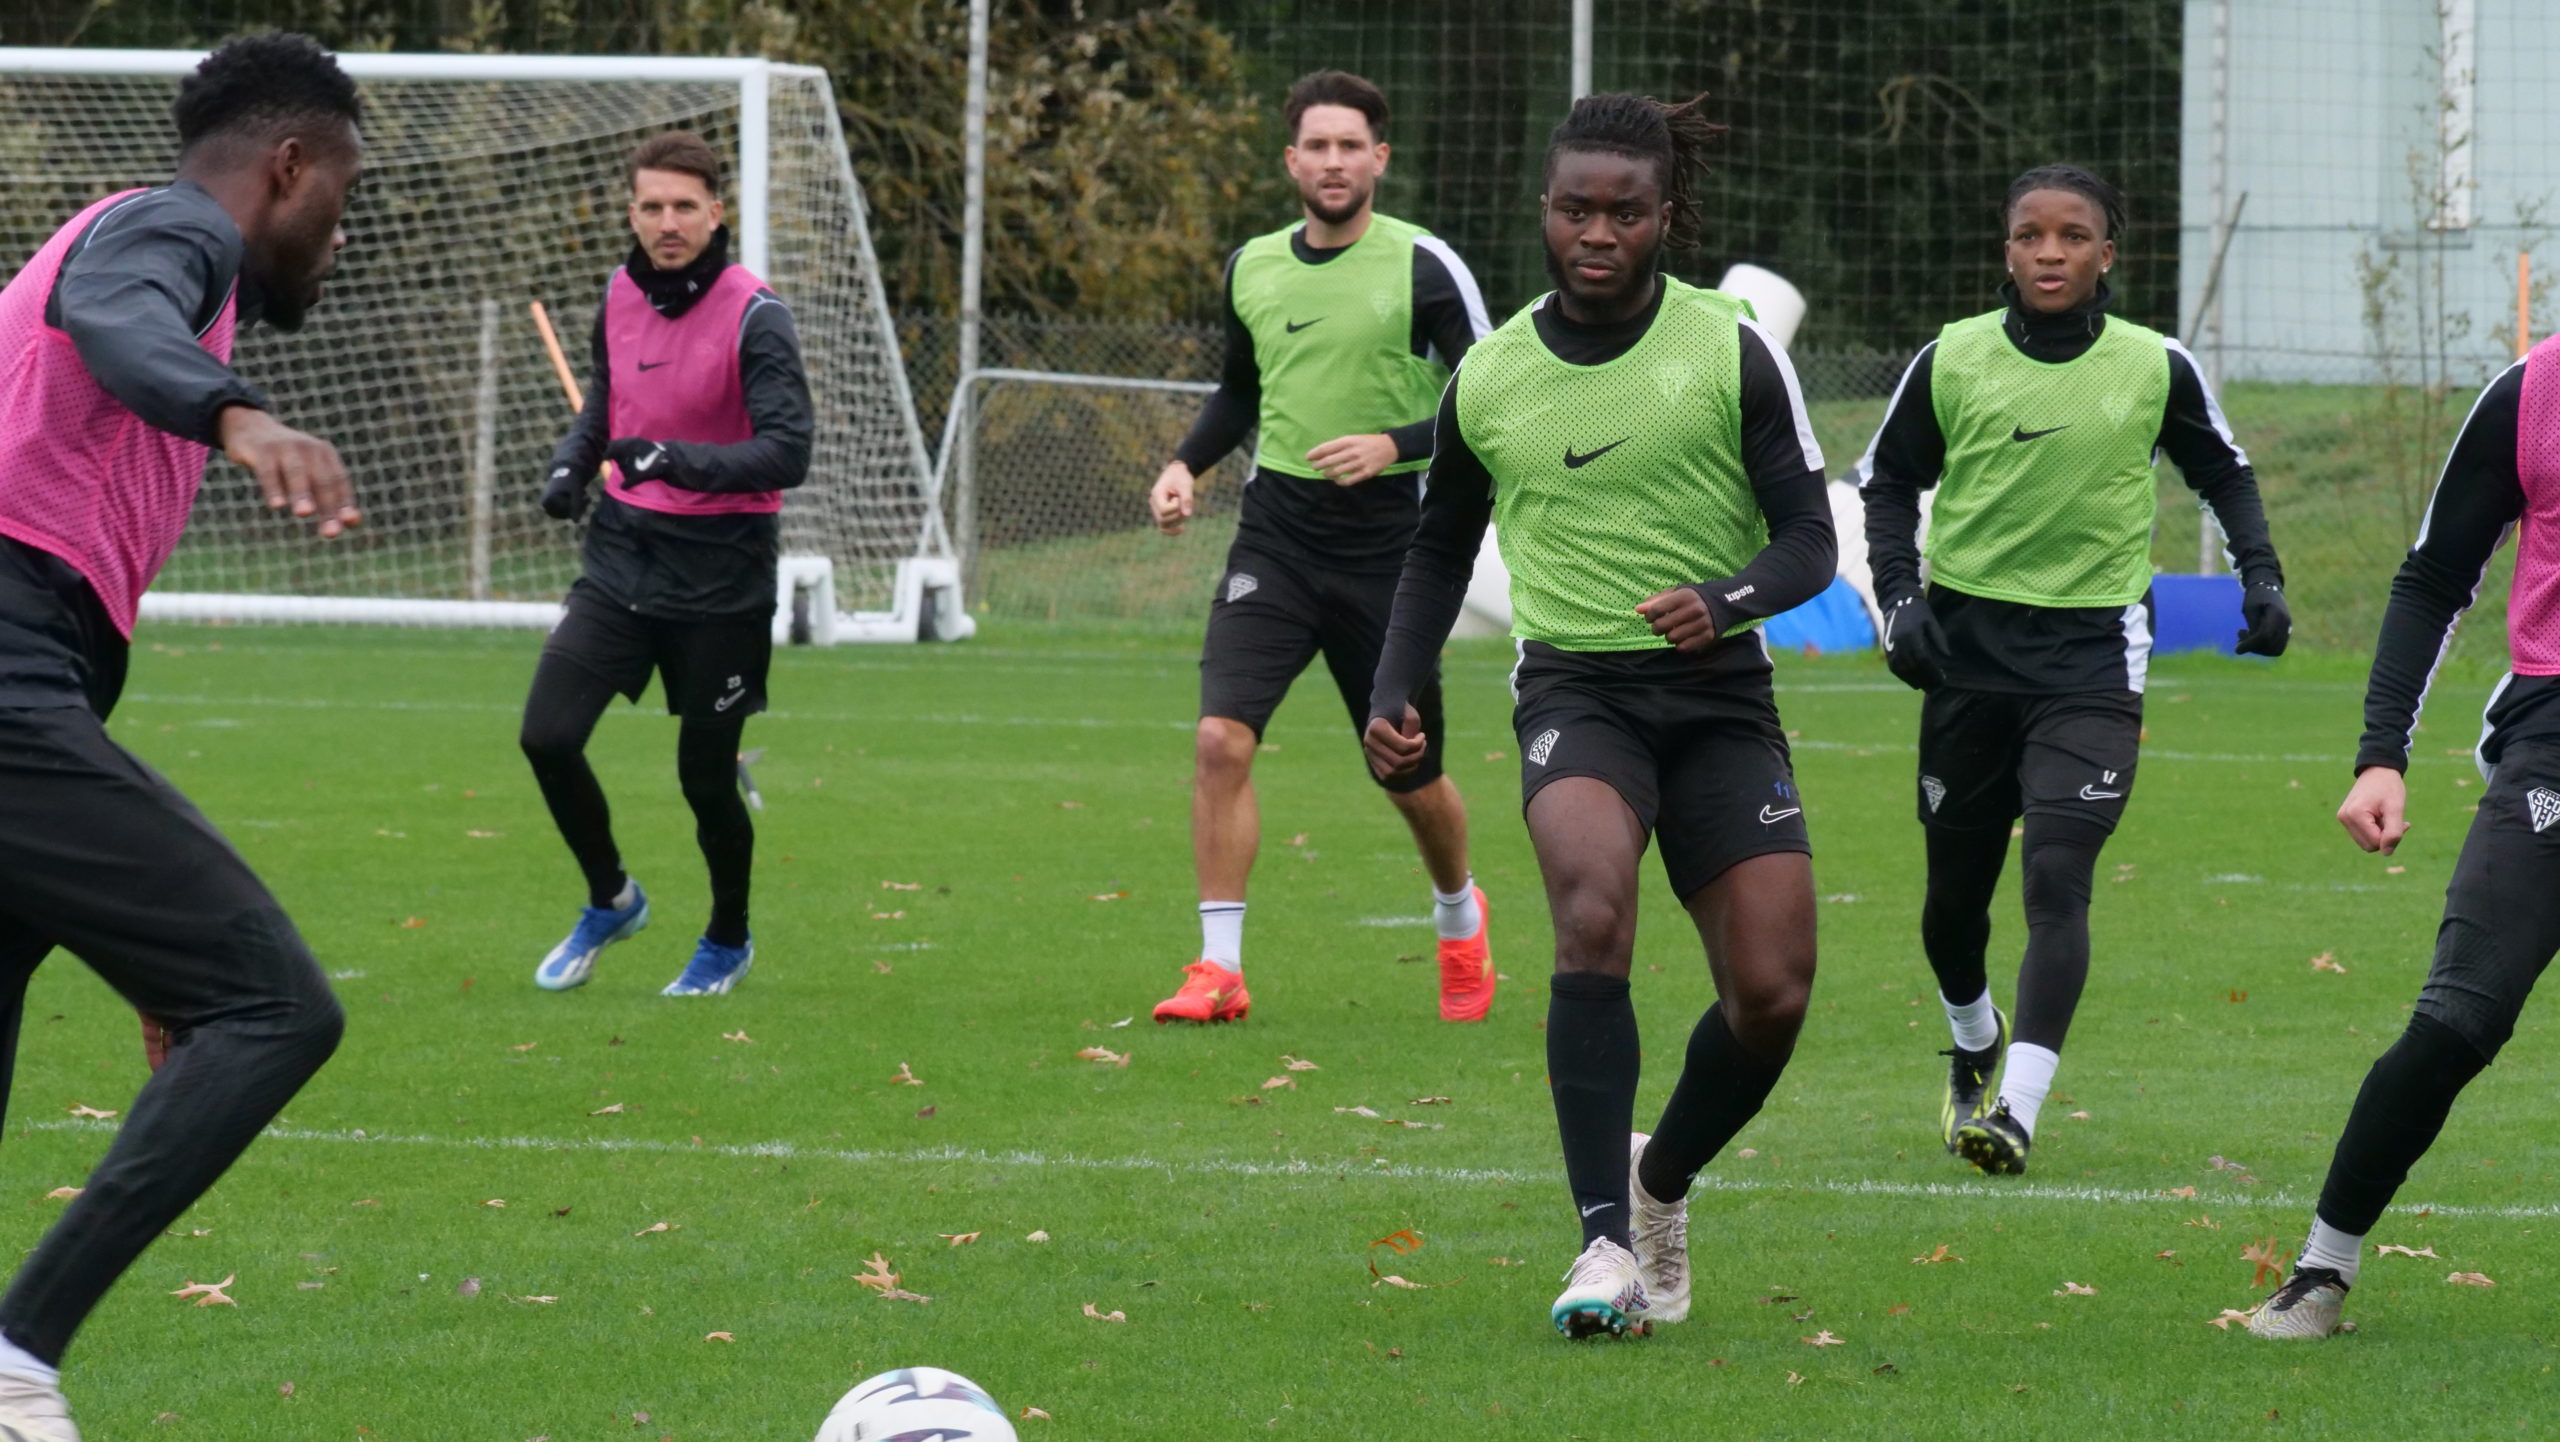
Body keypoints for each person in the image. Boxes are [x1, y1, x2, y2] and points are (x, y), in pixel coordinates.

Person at [1367, 92, 1834, 1338]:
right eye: (1576, 207)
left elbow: (1810, 539)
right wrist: (1392, 687)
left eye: (1624, 211)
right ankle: (1601, 1244)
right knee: (1587, 906)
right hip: (1575, 684)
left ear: (1662, 218)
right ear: (1545, 211)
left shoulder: (1731, 346)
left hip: (1719, 694)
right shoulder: (1495, 369)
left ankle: (1659, 1179)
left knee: (1774, 990)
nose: (1597, 231)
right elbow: (1434, 547)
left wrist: (1725, 598)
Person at [0, 34, 363, 1439]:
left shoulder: (151, 255)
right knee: (273, 1004)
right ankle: (20, 1356)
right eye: (338, 191)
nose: (336, 227)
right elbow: (116, 310)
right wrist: (239, 416)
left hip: (37, 689)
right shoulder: (168, 233)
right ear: (286, 166)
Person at [1857, 163, 2288, 1176]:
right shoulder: (1951, 358)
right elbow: (1886, 485)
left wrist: (2259, 575)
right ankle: (1972, 1035)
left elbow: (2222, 468)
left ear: (2107, 253)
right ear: (2005, 249)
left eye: (2071, 235)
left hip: (2092, 655)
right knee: (1952, 901)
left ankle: (2016, 1107)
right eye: (2029, 234)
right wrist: (1901, 599)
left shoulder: (2153, 364)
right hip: (1966, 653)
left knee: (2057, 874)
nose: (2049, 251)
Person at [1145, 70, 1496, 1025]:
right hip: (1279, 539)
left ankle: (1460, 915)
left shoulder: (1425, 264)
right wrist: (1186, 465)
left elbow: (1502, 397)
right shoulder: (1251, 266)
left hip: (1395, 552)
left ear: (1379, 158)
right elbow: (1240, 394)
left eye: (1352, 146)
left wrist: (1395, 443)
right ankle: (1219, 968)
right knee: (1220, 739)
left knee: (1408, 773)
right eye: (1318, 146)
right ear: (1291, 160)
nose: (1334, 162)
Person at [2248, 341, 2558, 1339]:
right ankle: (2320, 1269)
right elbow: (2433, 577)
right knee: (2460, 1015)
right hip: (2553, 739)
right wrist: (2381, 753)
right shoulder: (2535, 389)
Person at [521, 130, 813, 998]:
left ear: (716, 212)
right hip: (622, 558)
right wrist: (574, 465)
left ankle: (727, 938)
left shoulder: (757, 314)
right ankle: (611, 897)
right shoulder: (617, 293)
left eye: (685, 205)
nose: (668, 222)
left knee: (704, 778)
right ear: (632, 212)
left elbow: (787, 452)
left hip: (724, 574)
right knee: (547, 735)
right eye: (651, 206)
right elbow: (610, 406)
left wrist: (672, 459)